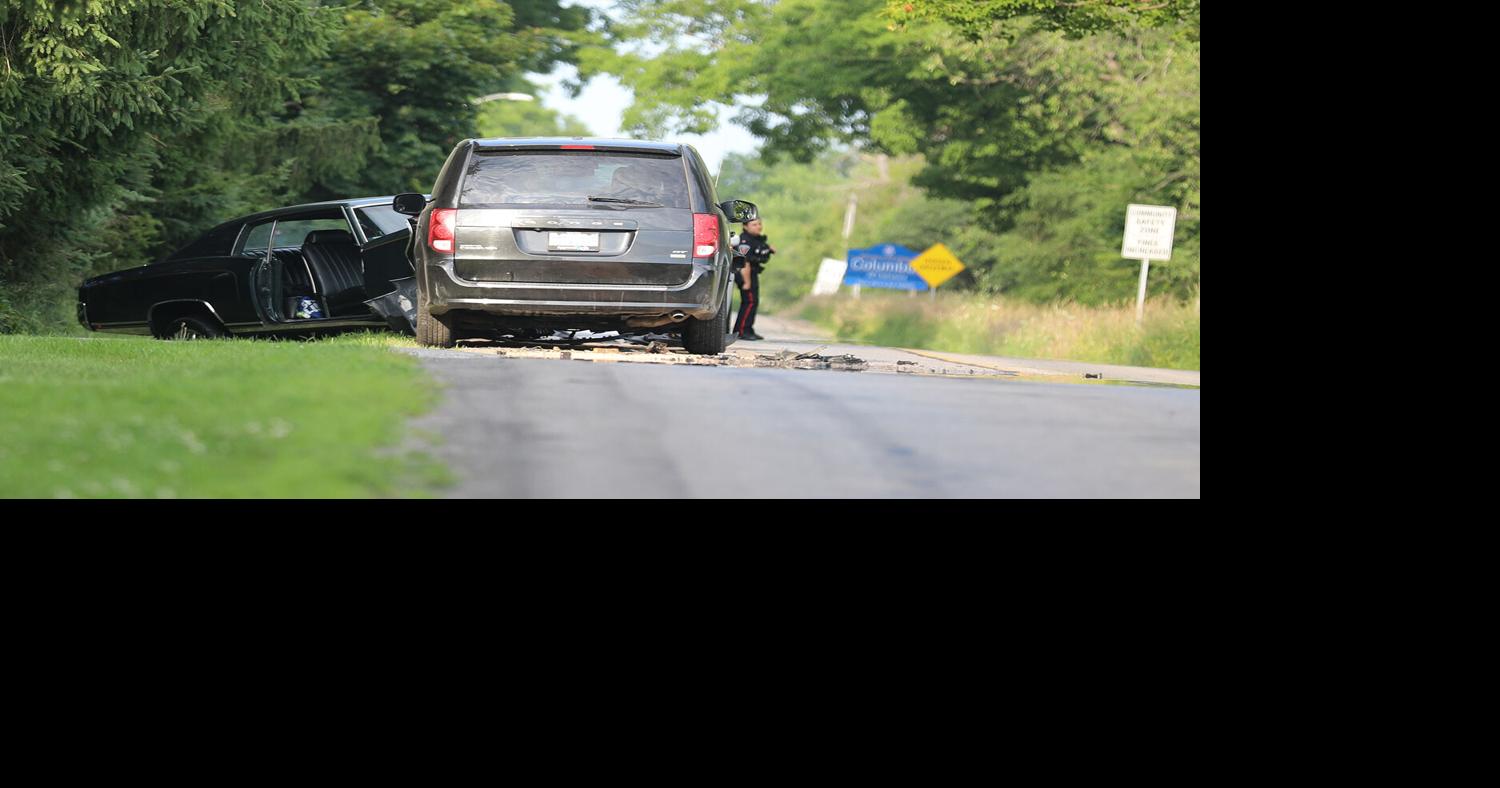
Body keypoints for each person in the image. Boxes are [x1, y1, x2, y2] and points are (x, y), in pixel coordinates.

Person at [732, 217, 775, 340]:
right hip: (746, 274)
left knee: (753, 302)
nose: (758, 227)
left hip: (752, 273)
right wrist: (746, 282)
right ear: (745, 226)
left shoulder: (755, 239)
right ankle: (741, 330)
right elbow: (744, 262)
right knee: (749, 302)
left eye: (759, 224)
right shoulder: (745, 241)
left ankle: (748, 329)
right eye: (754, 224)